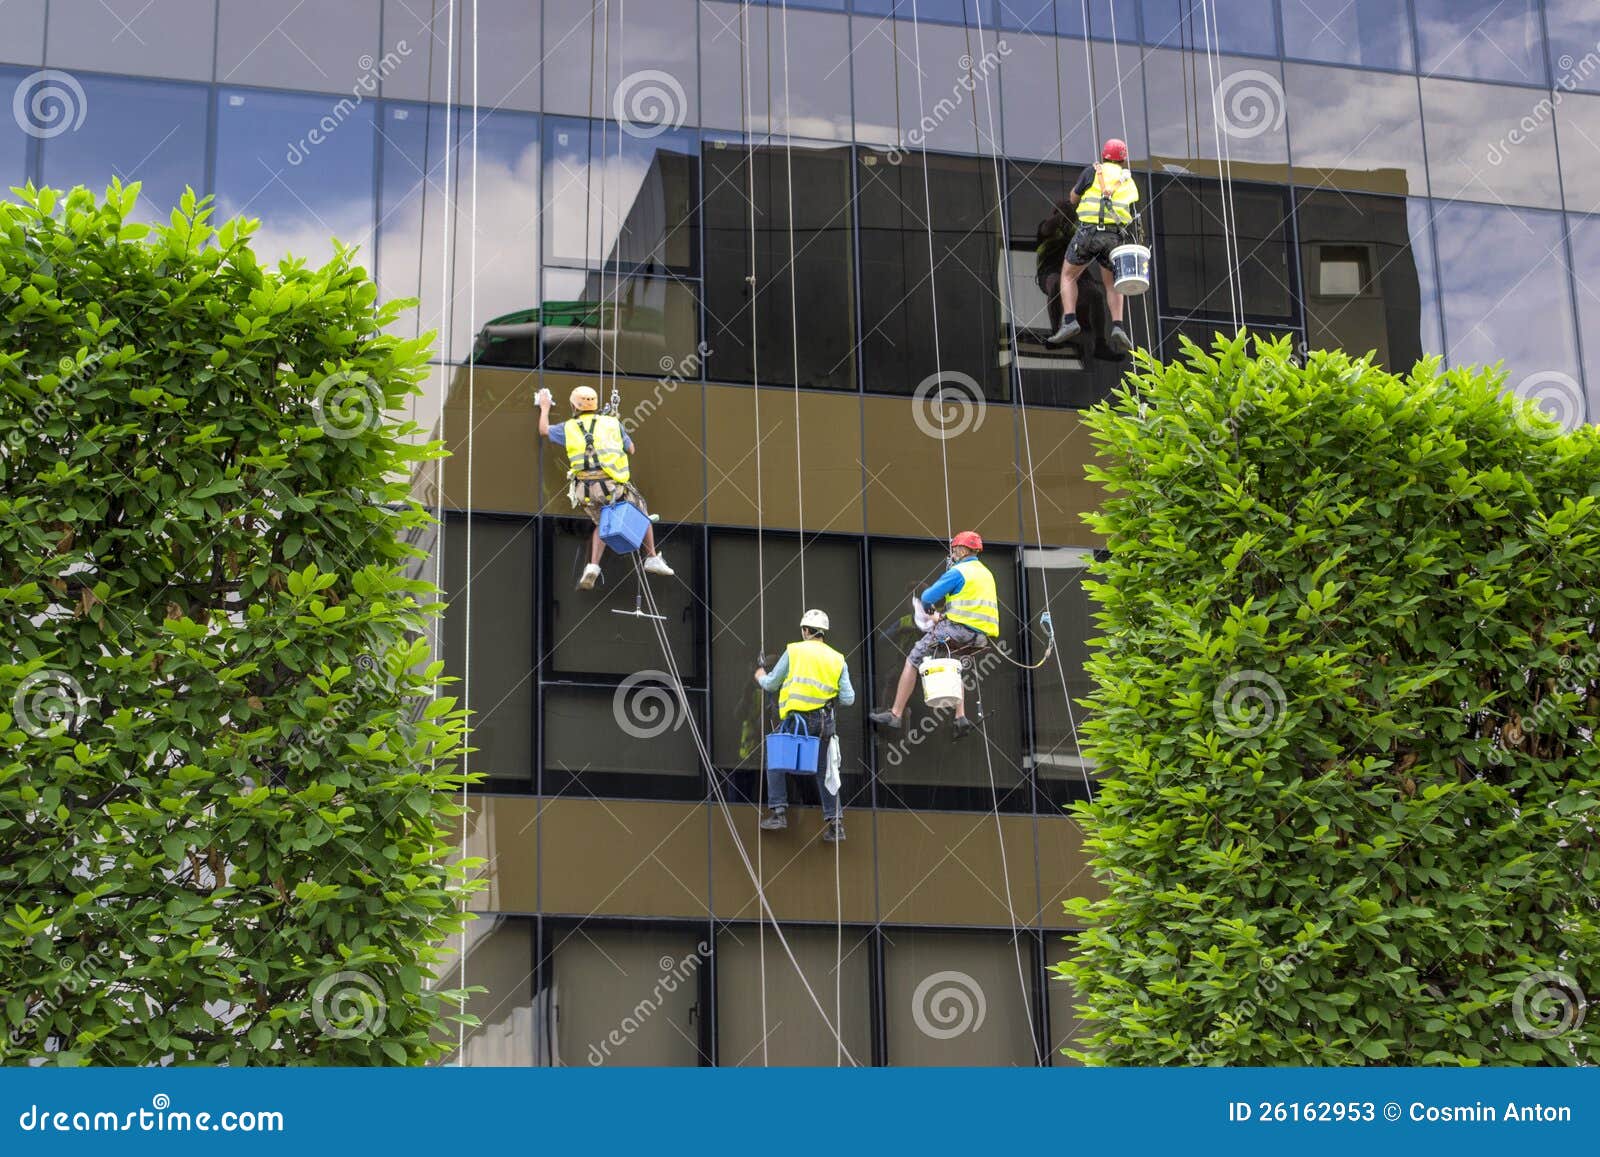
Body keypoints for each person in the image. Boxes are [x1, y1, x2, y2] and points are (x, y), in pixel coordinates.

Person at [538, 385, 673, 590]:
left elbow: (544, 430)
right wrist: (613, 431)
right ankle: (652, 557)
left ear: (574, 406)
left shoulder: (568, 427)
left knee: (603, 522)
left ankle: (593, 566)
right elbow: (631, 449)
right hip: (610, 487)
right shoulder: (612, 423)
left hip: (584, 490)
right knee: (641, 508)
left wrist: (545, 407)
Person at [869, 531, 998, 739]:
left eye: (955, 550)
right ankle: (960, 717)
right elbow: (971, 606)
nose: (953, 554)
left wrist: (928, 609)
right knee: (954, 665)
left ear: (963, 550)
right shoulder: (985, 573)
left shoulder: (959, 571)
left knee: (913, 659)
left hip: (959, 630)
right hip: (982, 636)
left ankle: (895, 714)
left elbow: (927, 596)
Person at [755, 609, 855, 843]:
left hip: (796, 721)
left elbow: (771, 684)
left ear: (805, 631)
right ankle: (836, 824)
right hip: (823, 723)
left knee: (776, 759)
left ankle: (778, 812)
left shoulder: (794, 651)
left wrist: (760, 675)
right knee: (825, 771)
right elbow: (849, 699)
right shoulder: (838, 658)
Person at [1046, 138, 1140, 354]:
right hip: (1114, 237)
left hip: (1089, 233)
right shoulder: (1128, 180)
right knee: (1112, 283)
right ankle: (1118, 325)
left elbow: (1073, 198)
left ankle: (1069, 320)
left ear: (1104, 155)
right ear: (1123, 159)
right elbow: (1132, 208)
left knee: (1068, 275)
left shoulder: (1092, 171)